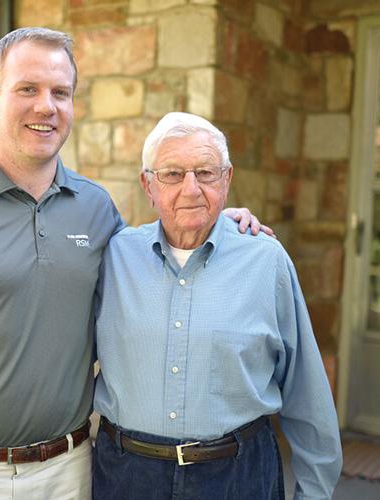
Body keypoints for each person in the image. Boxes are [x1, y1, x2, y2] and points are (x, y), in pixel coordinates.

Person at [0, 28, 265, 500]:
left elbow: (153, 269)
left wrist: (217, 220)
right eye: (27, 89)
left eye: (60, 92)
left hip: (69, 470)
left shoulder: (96, 208)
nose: (46, 107)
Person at [91, 112, 342, 499]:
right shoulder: (113, 256)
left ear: (226, 181)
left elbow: (306, 395)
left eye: (205, 173)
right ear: (148, 185)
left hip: (237, 478)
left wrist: (314, 492)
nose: (191, 189)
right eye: (172, 174)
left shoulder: (266, 261)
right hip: (128, 476)